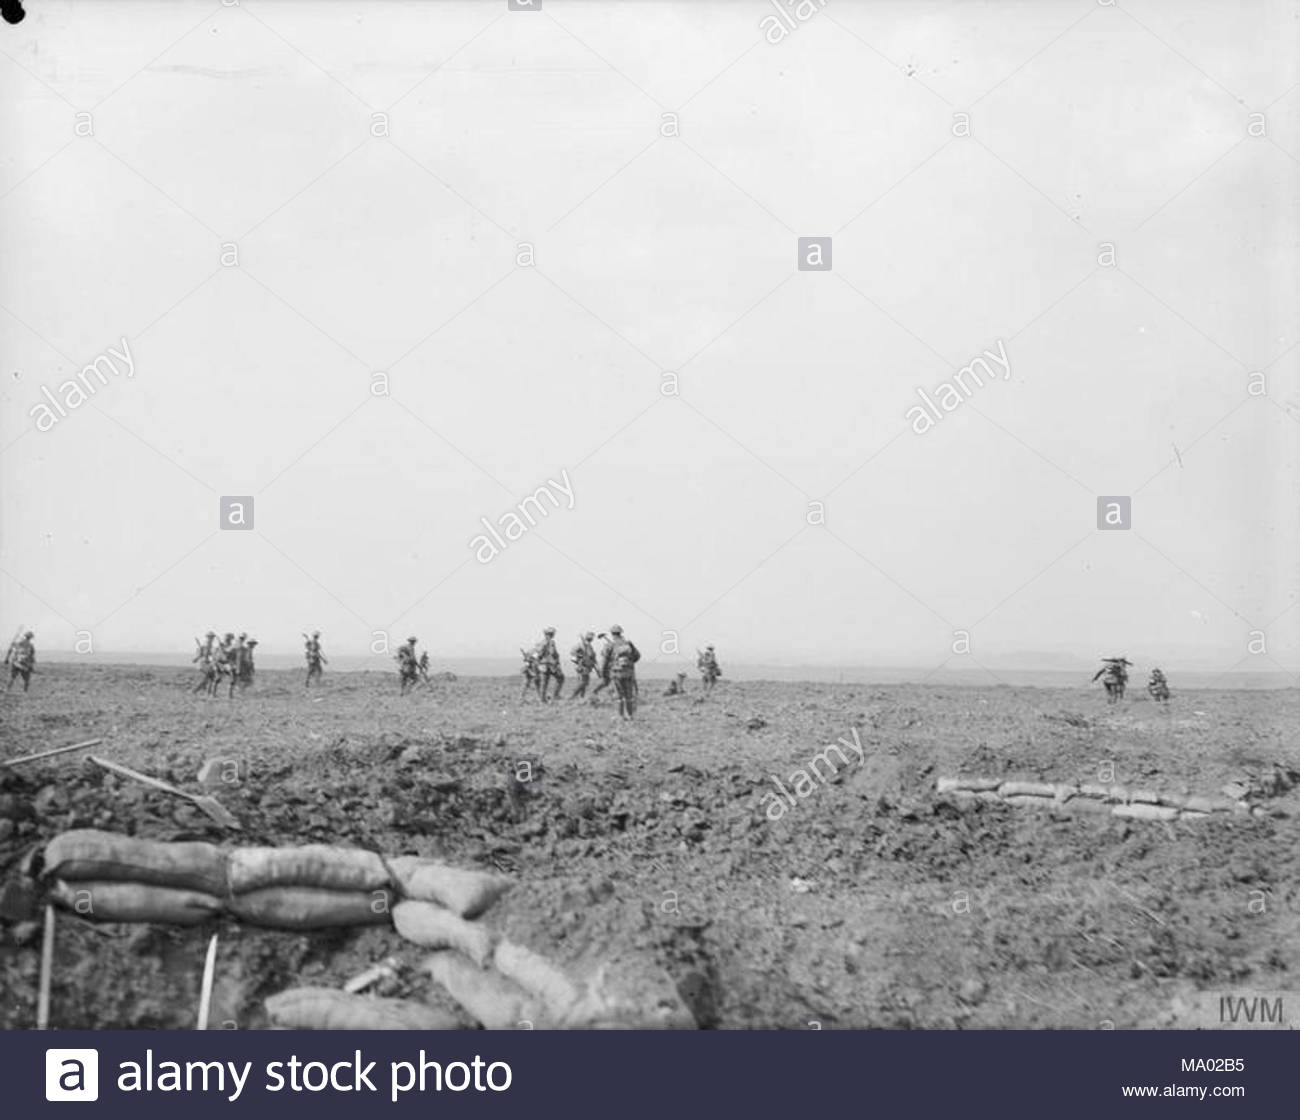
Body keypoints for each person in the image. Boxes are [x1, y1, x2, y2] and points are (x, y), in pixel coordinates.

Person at [600, 624, 640, 719]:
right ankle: (630, 715)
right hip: (629, 673)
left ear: (612, 633)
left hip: (616, 672)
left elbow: (605, 661)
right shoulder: (628, 644)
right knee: (629, 695)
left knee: (619, 695)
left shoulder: (610, 645)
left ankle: (620, 716)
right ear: (620, 633)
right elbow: (637, 656)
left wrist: (603, 674)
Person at [535, 626, 564, 702]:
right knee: (544, 683)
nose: (552, 635)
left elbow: (555, 654)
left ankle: (554, 695)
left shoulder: (552, 642)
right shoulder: (543, 643)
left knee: (560, 678)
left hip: (552, 665)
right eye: (551, 633)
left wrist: (557, 661)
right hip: (545, 665)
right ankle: (543, 700)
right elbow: (539, 654)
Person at [569, 631, 598, 699]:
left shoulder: (589, 646)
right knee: (583, 682)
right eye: (590, 637)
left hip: (587, 666)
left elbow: (591, 656)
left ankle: (581, 697)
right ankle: (572, 696)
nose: (591, 638)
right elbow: (572, 652)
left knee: (585, 683)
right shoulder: (581, 644)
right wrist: (580, 656)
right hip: (581, 665)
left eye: (591, 637)